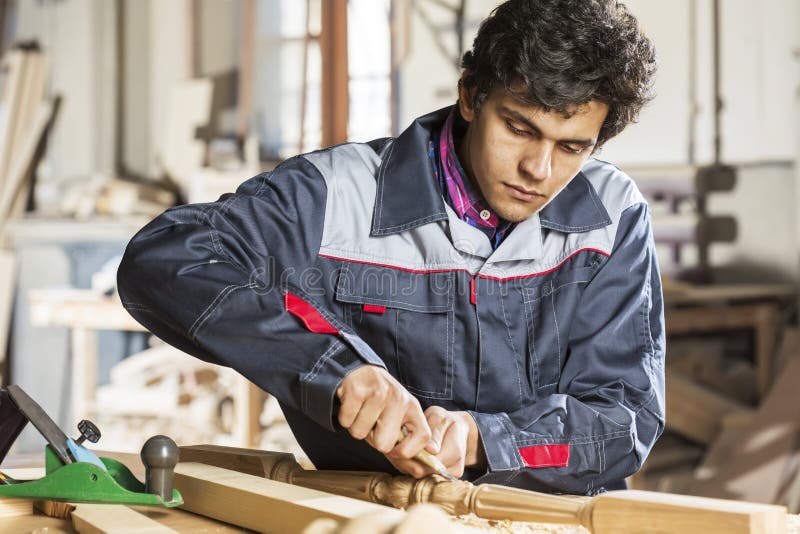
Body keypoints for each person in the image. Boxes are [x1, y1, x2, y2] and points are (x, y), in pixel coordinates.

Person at [117, 0, 663, 495]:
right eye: (519, 128)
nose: (538, 171)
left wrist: (481, 440)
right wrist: (334, 367)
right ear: (471, 94)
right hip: (370, 520)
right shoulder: (337, 196)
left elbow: (625, 419)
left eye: (571, 147)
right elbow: (166, 259)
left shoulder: (612, 217)